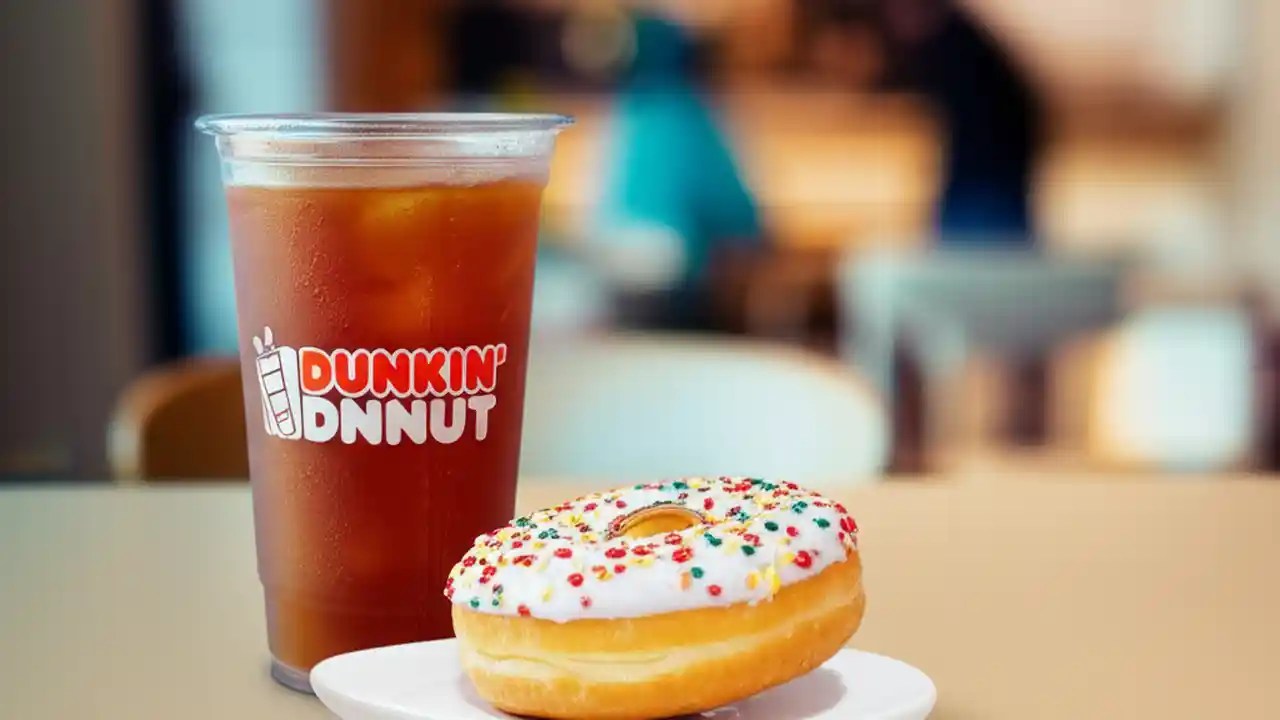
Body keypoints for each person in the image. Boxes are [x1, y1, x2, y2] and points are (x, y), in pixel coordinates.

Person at [594, 10, 764, 330]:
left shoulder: (623, 117)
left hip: (611, 287)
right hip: (674, 295)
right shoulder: (692, 117)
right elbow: (737, 214)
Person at [880, 0, 1044, 244]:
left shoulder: (957, 47)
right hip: (982, 176)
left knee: (980, 244)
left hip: (986, 184)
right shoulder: (952, 39)